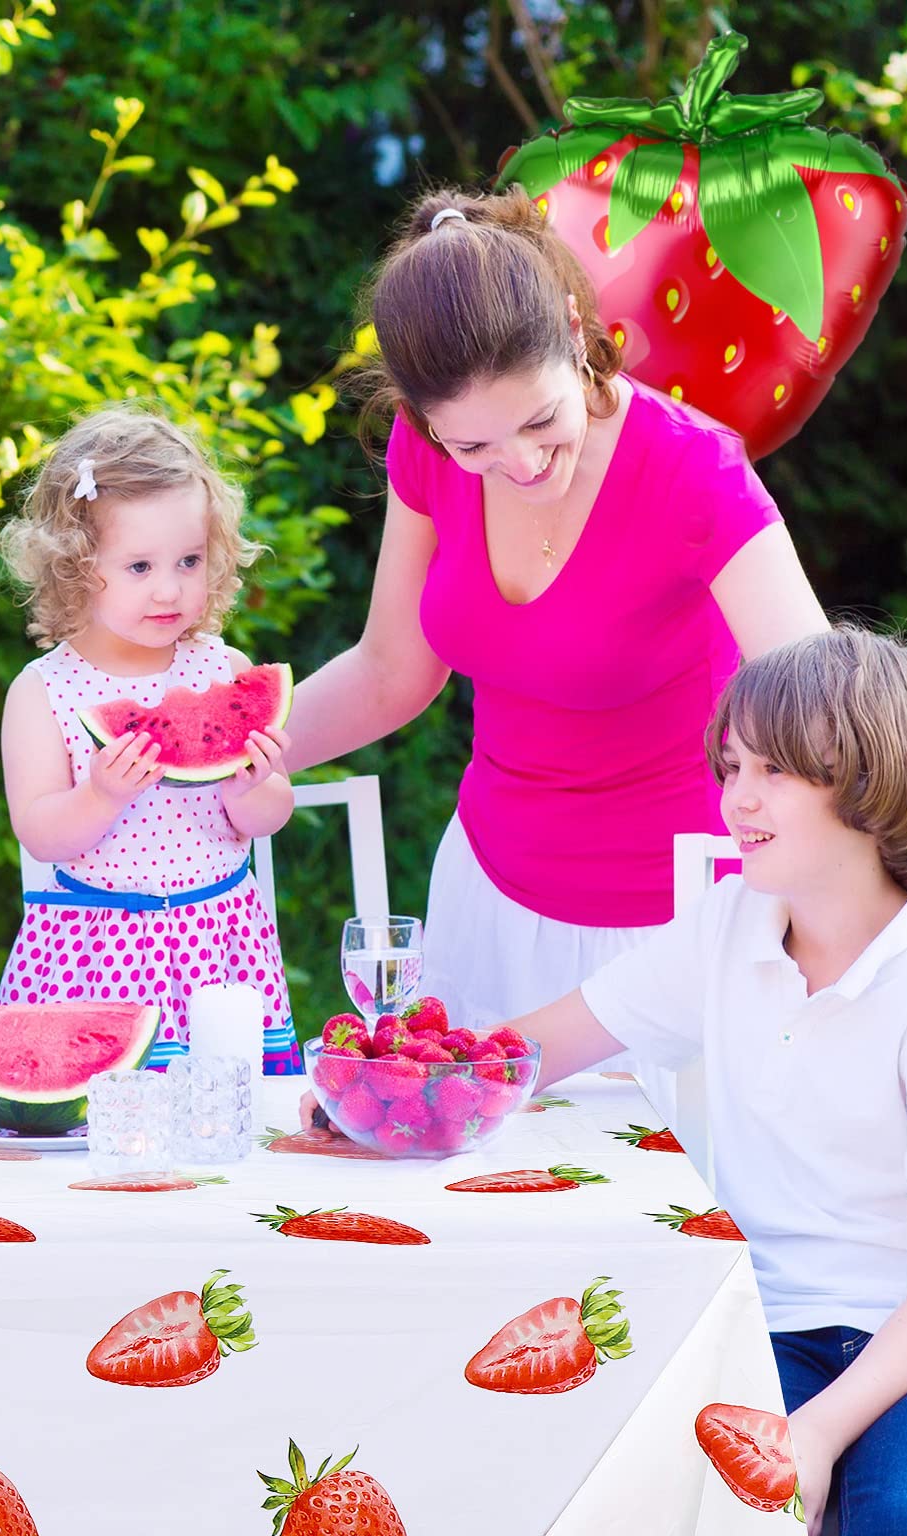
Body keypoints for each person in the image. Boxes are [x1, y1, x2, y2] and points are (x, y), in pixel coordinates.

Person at [286, 184, 829, 1124]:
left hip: (676, 925)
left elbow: (829, 713)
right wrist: (199, 769)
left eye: (541, 421)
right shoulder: (428, 455)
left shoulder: (697, 474)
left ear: (577, 332)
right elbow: (390, 673)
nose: (523, 465)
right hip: (487, 901)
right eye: (475, 446)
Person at [500, 628, 907, 1536]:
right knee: (651, 1499)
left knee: (905, 1524)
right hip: (759, 1316)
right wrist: (390, 1087)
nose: (735, 797)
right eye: (731, 765)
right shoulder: (725, 928)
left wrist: (819, 1432)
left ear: (872, 787)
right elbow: (541, 1047)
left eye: (775, 771)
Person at [0, 404, 300, 1071]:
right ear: (75, 565)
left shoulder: (225, 668)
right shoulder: (43, 690)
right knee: (103, 1128)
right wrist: (99, 796)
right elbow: (42, 833)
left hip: (218, 942)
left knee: (230, 1114)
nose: (170, 588)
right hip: (94, 948)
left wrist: (254, 785)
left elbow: (267, 817)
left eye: (189, 560)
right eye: (139, 568)